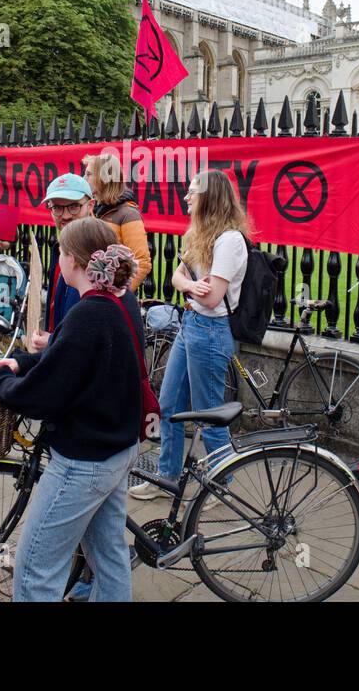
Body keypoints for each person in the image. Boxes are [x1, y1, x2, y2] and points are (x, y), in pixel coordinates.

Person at [0, 217, 144, 601]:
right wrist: (21, 362)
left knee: (36, 567)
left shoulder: (90, 313)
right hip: (117, 446)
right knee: (109, 556)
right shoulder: (119, 299)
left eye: (60, 251)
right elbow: (68, 354)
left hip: (84, 461)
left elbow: (43, 394)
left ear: (74, 260)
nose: (57, 259)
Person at [131, 168, 249, 500]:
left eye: (193, 191)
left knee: (209, 414)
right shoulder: (200, 233)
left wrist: (193, 287)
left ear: (210, 197)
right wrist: (188, 285)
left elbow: (211, 296)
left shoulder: (229, 240)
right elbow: (176, 277)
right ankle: (168, 478)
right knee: (168, 404)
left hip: (210, 333)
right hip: (190, 325)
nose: (187, 196)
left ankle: (222, 486)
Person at [30, 173, 95, 352]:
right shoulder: (60, 249)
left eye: (74, 206)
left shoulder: (100, 255)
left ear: (90, 205)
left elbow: (95, 332)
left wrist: (54, 341)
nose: (65, 215)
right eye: (57, 207)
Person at [85, 152, 152, 292]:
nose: (84, 179)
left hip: (110, 299)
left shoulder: (128, 213)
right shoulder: (95, 209)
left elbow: (142, 262)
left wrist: (119, 294)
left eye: (89, 174)